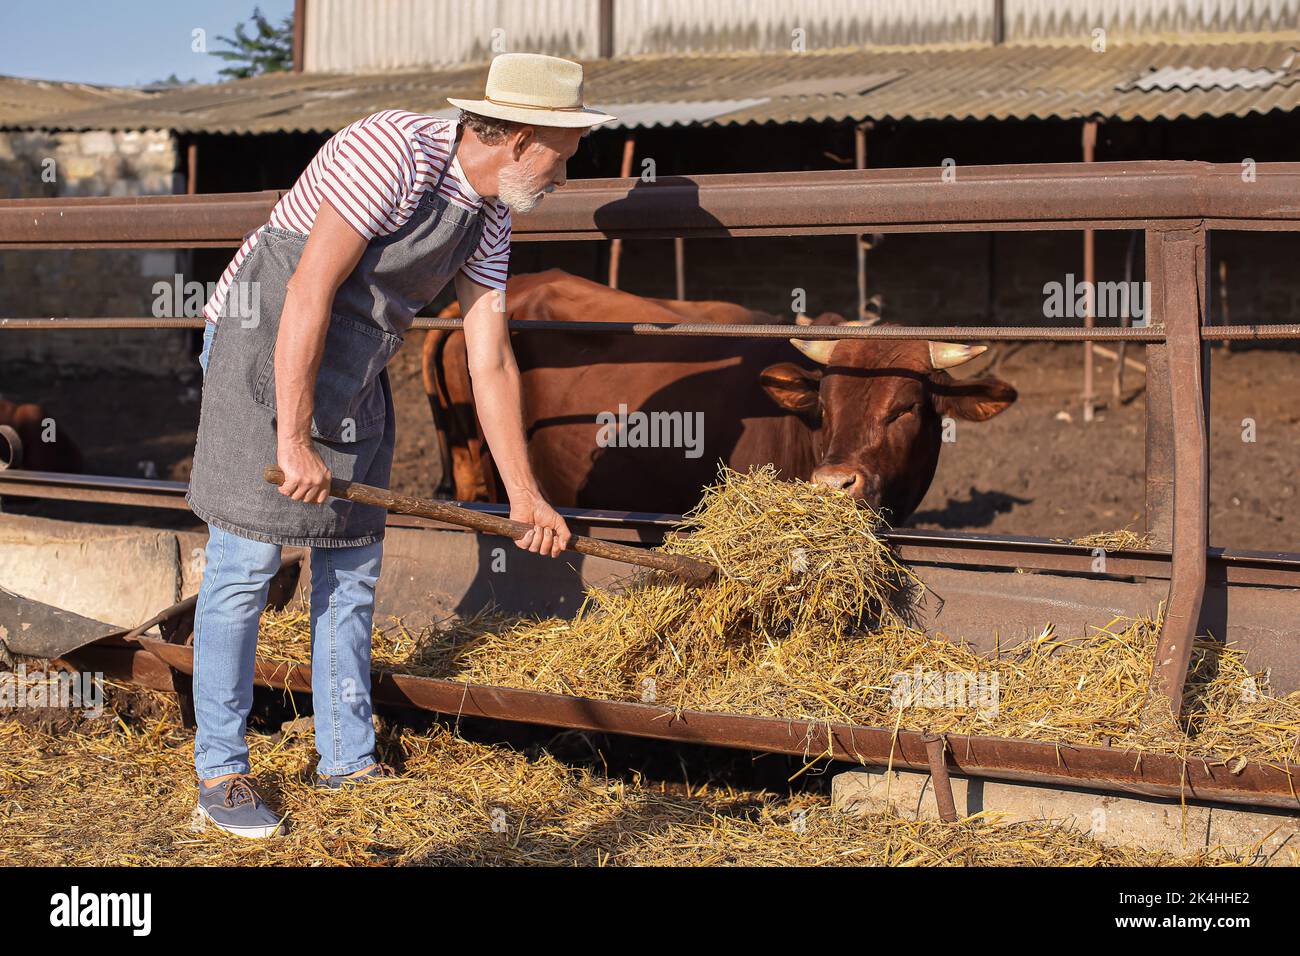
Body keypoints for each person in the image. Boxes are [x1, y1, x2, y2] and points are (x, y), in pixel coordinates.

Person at [187, 53, 615, 838]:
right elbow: (309, 291)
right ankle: (221, 767)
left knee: (350, 567)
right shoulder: (392, 151)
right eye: (566, 150)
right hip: (265, 343)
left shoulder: (491, 212)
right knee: (247, 562)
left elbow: (488, 353)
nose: (568, 170)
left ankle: (347, 761)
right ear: (522, 138)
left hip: (354, 366)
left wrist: (522, 491)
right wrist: (292, 437)